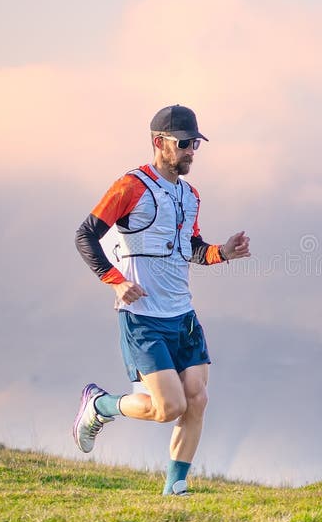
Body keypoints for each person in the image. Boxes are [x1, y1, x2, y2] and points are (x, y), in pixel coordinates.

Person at [73, 104, 250, 494]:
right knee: (169, 407)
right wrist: (115, 281)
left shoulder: (190, 195)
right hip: (142, 318)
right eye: (185, 144)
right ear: (160, 143)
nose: (191, 152)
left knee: (197, 400)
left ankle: (176, 489)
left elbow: (192, 248)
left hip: (183, 315)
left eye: (196, 144)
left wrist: (224, 251)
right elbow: (85, 235)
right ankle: (100, 405)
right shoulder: (130, 187)